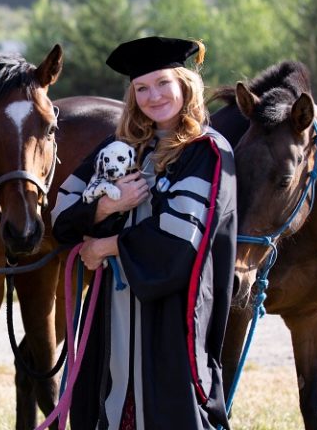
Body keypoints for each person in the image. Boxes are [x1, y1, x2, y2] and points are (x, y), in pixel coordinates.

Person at [52, 36, 236, 429]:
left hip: (172, 315)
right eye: (141, 88)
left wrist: (106, 245)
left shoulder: (206, 152)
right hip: (111, 314)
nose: (153, 96)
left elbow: (176, 247)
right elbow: (61, 216)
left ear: (185, 84)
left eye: (162, 83)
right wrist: (106, 206)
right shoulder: (119, 148)